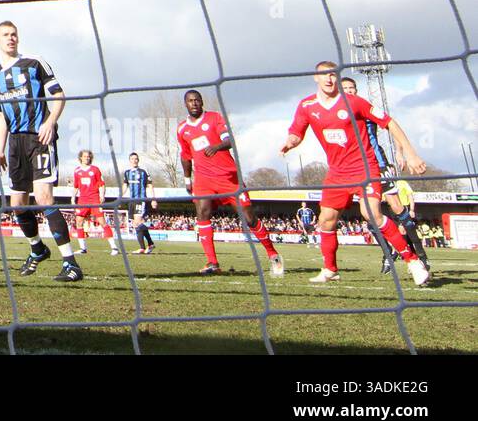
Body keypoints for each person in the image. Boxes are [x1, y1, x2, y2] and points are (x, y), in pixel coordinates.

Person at [281, 62, 429, 286]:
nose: (329, 79)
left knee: (372, 215)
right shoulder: (306, 105)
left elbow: (390, 123)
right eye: (324, 75)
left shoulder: (354, 102)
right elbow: (296, 132)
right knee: (326, 221)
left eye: (333, 75)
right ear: (315, 77)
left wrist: (411, 154)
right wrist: (290, 143)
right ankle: (330, 269)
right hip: (337, 173)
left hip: (365, 168)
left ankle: (413, 261)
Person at [0, 21, 82, 281]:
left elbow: (59, 95)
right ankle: (38, 249)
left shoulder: (34, 62)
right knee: (17, 204)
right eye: (5, 35)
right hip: (15, 144)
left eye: (14, 34)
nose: (11, 38)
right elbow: (0, 116)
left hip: (39, 137)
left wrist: (50, 122)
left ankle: (71, 263)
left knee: (43, 197)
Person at [177, 89, 283, 277]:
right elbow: (185, 156)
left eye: (197, 100)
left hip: (228, 177)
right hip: (203, 180)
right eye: (190, 101)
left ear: (202, 102)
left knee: (249, 218)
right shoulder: (181, 129)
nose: (194, 103)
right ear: (185, 104)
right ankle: (212, 262)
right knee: (202, 213)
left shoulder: (215, 118)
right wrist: (187, 179)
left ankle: (273, 255)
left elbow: (229, 140)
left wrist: (216, 147)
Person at [72, 150, 118, 256]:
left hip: (94, 199)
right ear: (81, 158)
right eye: (84, 156)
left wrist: (102, 195)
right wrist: (73, 197)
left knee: (102, 221)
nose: (87, 158)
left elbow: (101, 184)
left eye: (88, 156)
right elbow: (75, 186)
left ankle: (114, 247)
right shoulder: (77, 171)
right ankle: (82, 248)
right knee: (79, 222)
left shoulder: (95, 170)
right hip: (82, 200)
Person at [122, 152, 156, 254]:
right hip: (131, 201)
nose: (134, 160)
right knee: (135, 224)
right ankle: (147, 245)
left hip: (141, 200)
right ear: (129, 160)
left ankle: (146, 246)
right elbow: (125, 185)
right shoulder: (127, 173)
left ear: (138, 160)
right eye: (132, 159)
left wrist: (153, 199)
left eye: (136, 159)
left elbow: (150, 185)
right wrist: (120, 195)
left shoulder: (143, 172)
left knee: (138, 222)